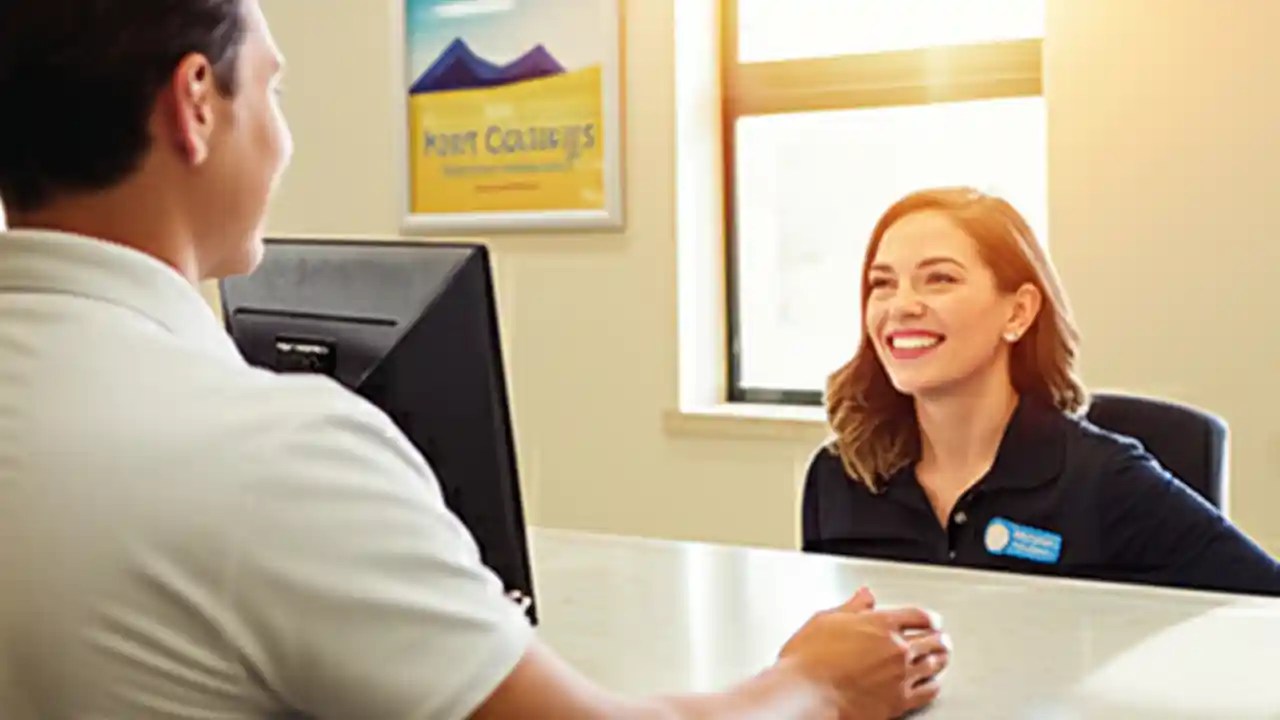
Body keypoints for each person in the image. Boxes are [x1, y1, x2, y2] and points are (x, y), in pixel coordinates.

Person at [0, 1, 951, 718]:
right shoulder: (274, 457)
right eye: (274, 90)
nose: (285, 140)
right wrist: (815, 683)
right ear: (196, 104)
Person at [804, 187, 1280, 597]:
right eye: (882, 284)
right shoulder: (838, 476)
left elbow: (1265, 604)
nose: (901, 305)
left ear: (1018, 312)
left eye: (940, 279)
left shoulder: (1105, 480)